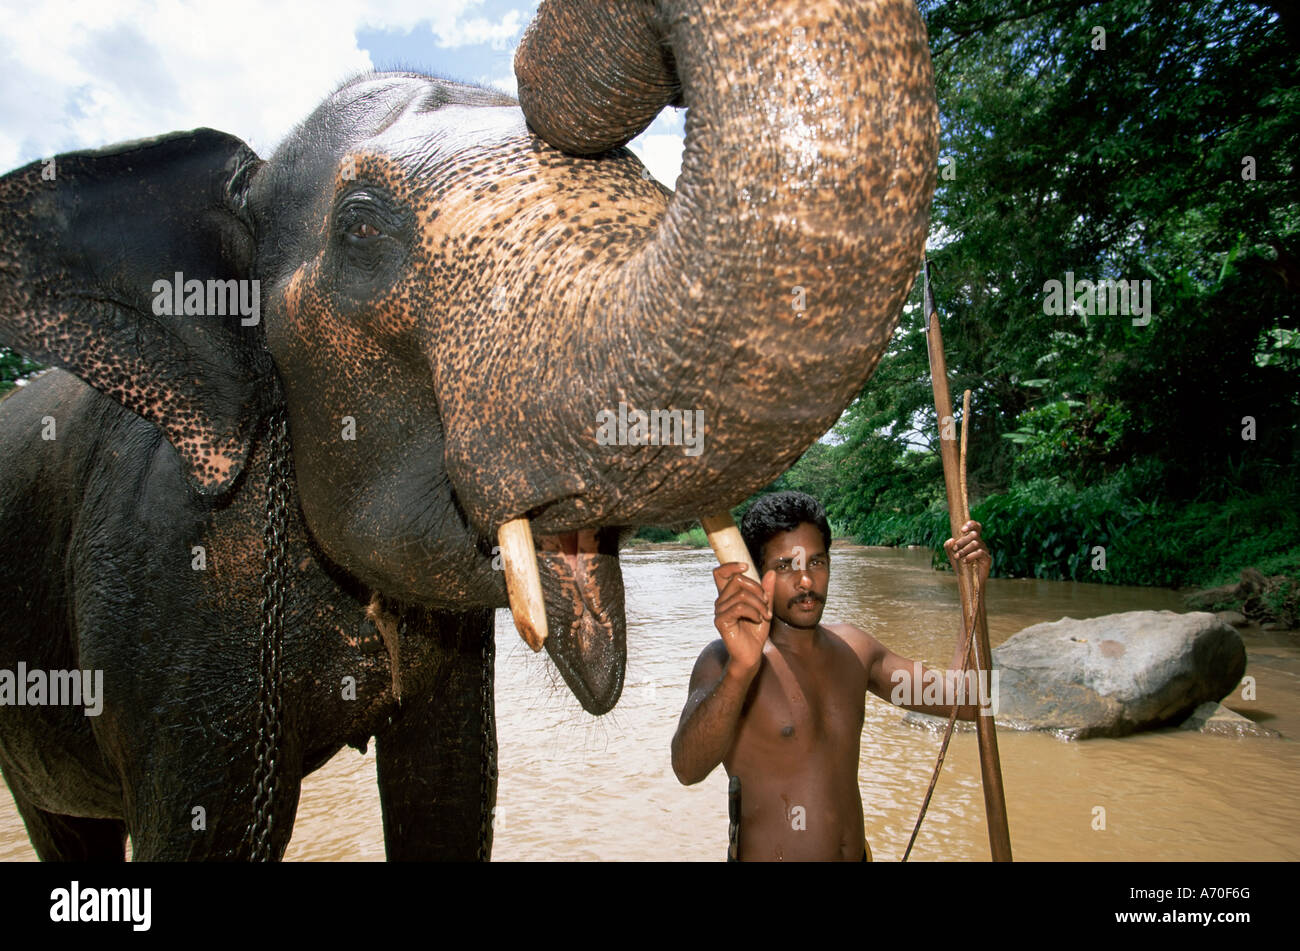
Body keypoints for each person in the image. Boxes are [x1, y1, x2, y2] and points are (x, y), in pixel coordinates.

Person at [670, 490, 992, 861]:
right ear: (760, 575)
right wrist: (741, 670)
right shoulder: (724, 659)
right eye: (786, 565)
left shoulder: (855, 651)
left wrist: (973, 592)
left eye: (817, 562)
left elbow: (969, 702)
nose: (806, 581)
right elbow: (687, 768)